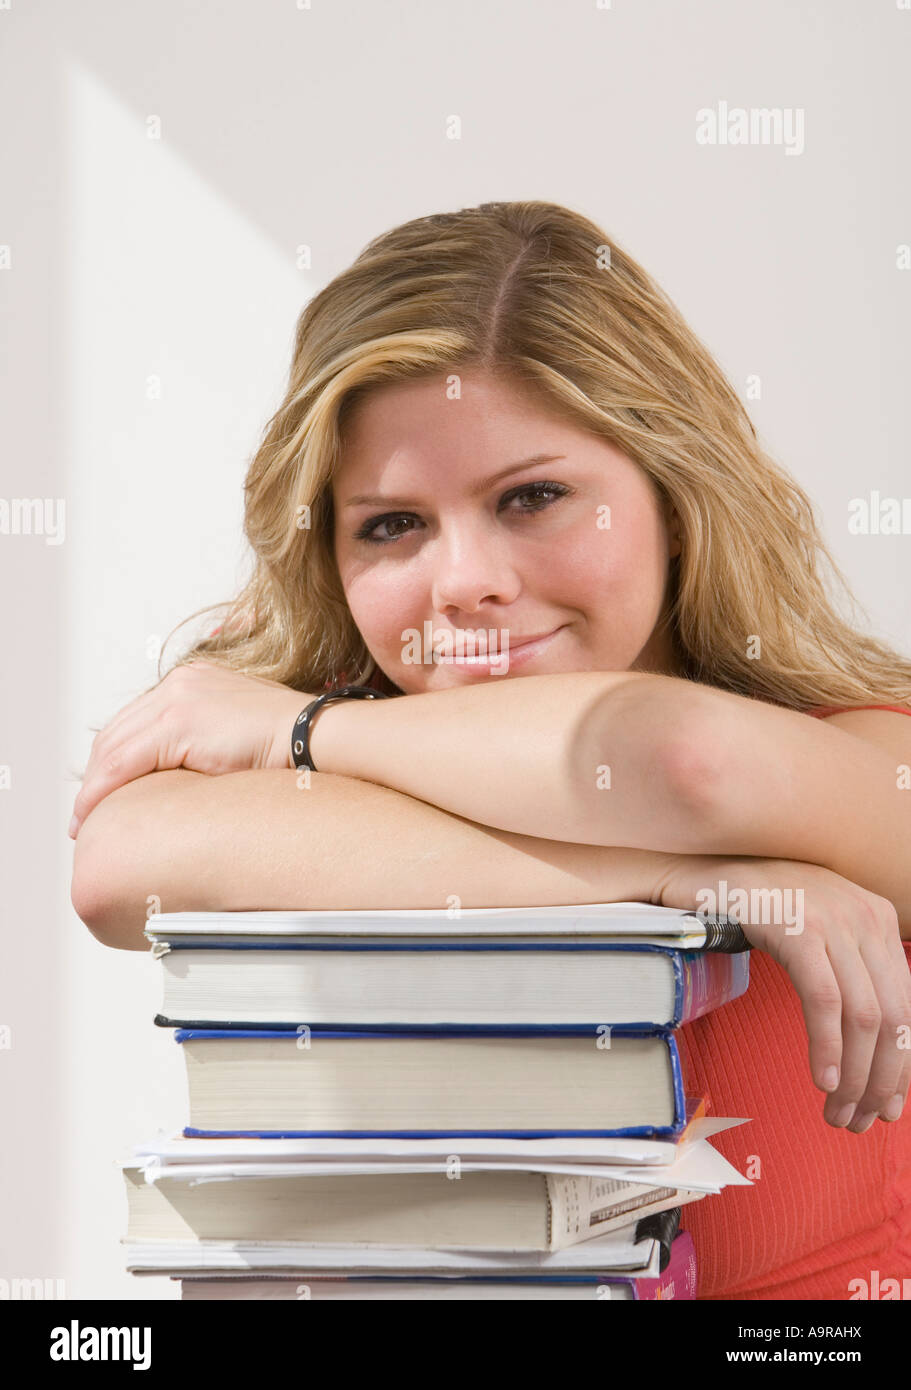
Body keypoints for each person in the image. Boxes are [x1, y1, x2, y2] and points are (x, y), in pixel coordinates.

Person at [69, 200, 911, 1299]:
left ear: (673, 495)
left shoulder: (862, 752)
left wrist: (304, 730)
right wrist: (686, 879)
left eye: (533, 497)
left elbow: (682, 762)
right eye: (391, 524)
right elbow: (115, 868)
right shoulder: (299, 773)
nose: (464, 581)